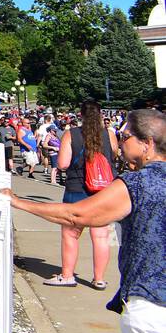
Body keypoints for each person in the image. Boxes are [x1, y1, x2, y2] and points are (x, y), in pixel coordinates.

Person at [3, 108, 166, 333]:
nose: (120, 141)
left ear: (148, 144)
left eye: (125, 136)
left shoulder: (139, 183)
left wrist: (17, 202)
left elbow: (78, 214)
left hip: (152, 299)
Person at [44, 100, 120, 289]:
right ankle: (99, 279)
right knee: (101, 236)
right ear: (101, 114)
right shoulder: (109, 134)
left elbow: (62, 164)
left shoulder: (72, 134)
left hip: (76, 189)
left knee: (70, 235)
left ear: (81, 115)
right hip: (103, 192)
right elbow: (115, 156)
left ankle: (68, 275)